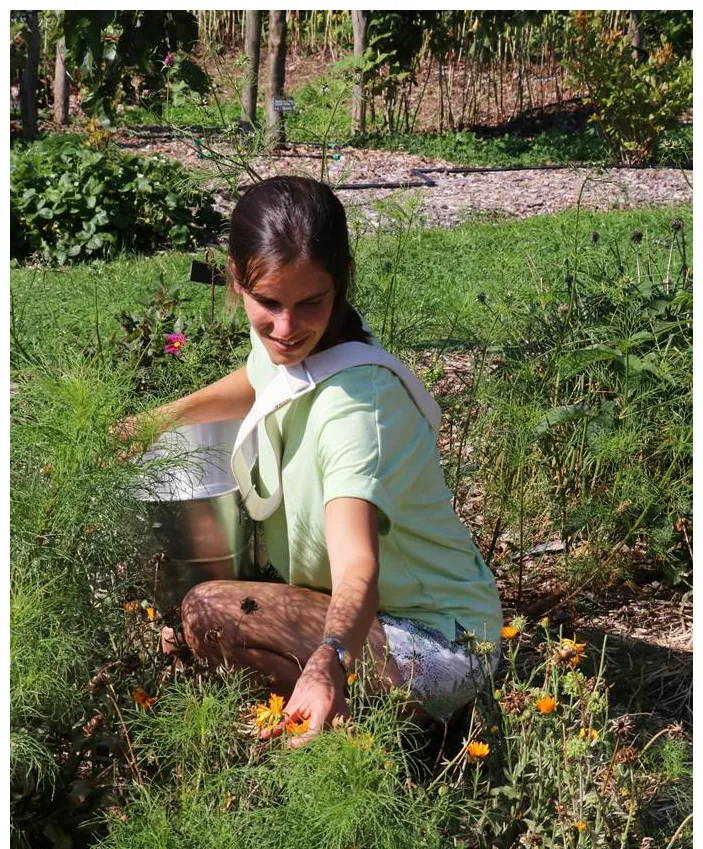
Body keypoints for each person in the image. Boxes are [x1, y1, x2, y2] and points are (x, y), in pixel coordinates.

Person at [125, 176, 502, 742]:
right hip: (361, 617)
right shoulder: (293, 340)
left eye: (310, 303)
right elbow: (264, 380)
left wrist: (330, 661)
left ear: (341, 281)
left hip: (440, 643)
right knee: (197, 621)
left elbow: (359, 567)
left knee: (208, 610)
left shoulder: (358, 407)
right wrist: (156, 419)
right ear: (236, 279)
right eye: (267, 303)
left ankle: (379, 749)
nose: (285, 328)